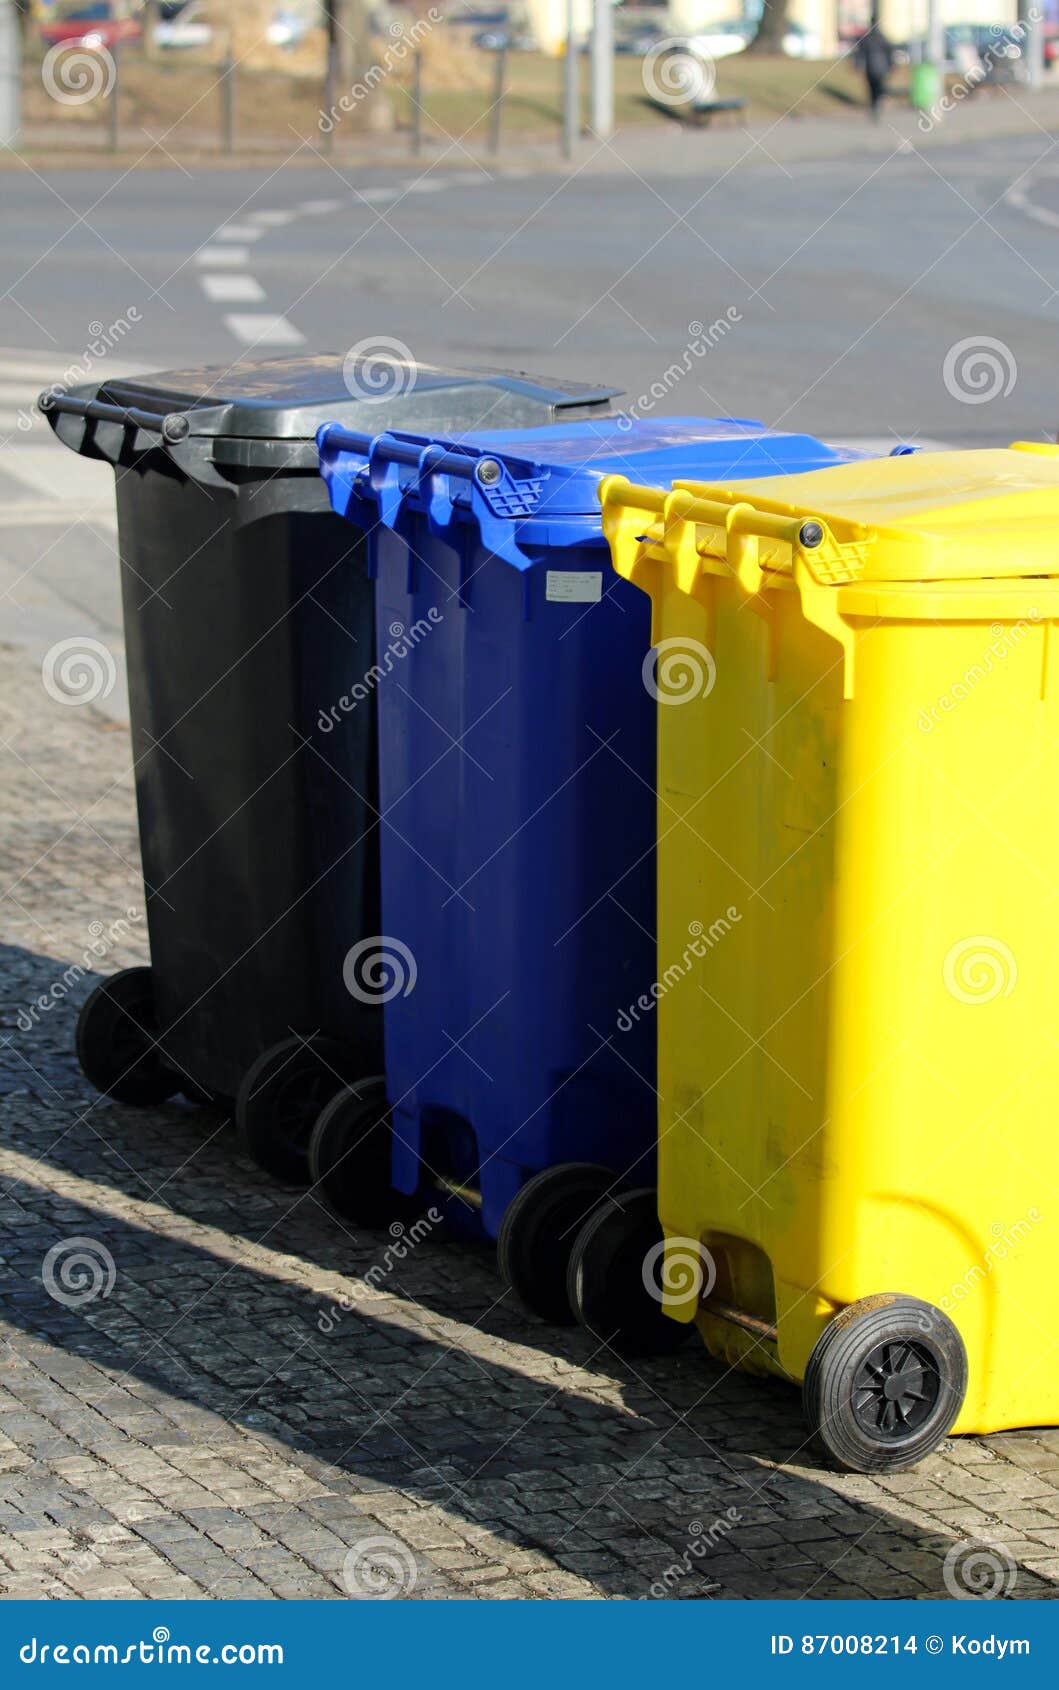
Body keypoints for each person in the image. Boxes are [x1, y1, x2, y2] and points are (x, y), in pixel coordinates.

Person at [856, 22, 895, 119]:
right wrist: (891, 66)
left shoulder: (867, 39)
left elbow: (860, 54)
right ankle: (878, 101)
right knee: (879, 86)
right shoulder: (883, 39)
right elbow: (890, 54)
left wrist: (857, 65)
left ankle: (874, 103)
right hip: (882, 68)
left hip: (870, 68)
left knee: (872, 87)